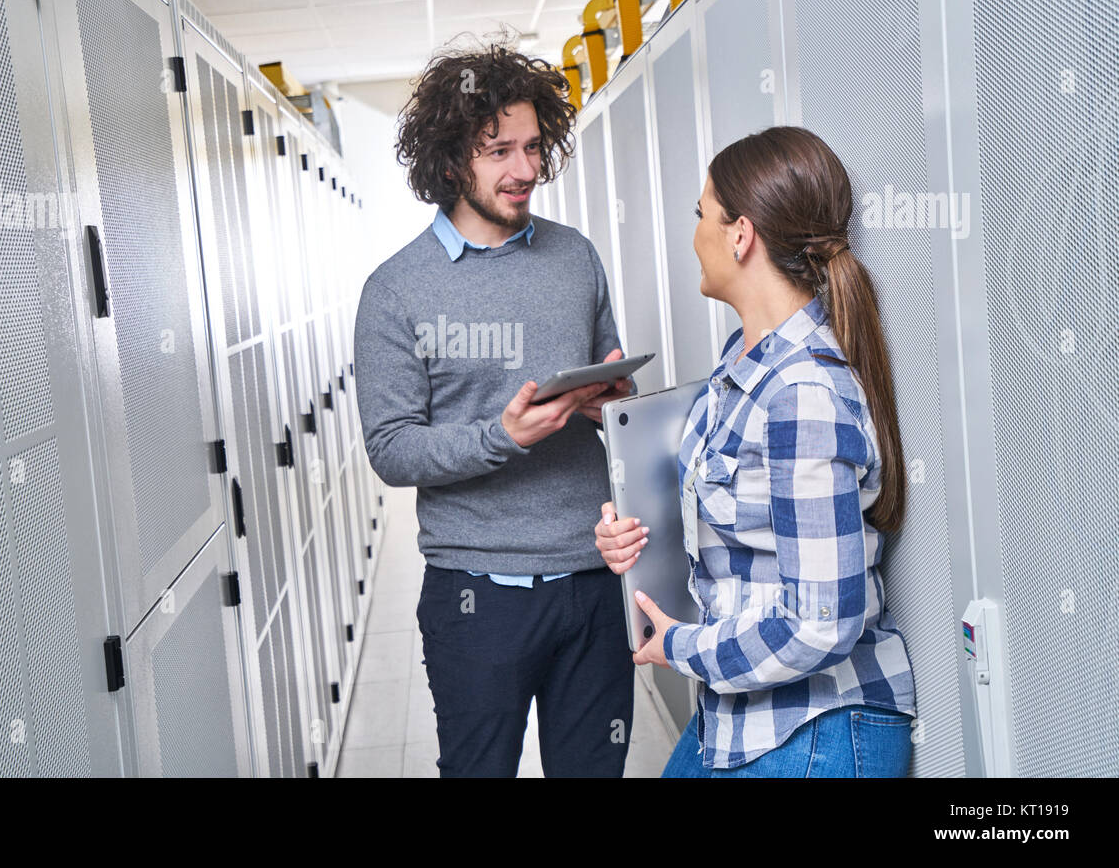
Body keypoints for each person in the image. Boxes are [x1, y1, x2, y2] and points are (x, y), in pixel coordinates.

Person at [595, 126, 918, 777]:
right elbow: (732, 517)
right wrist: (632, 538)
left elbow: (822, 622)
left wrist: (680, 645)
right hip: (741, 711)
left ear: (740, 234)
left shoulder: (799, 393)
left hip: (818, 725)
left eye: (701, 215)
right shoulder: (740, 362)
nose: (693, 235)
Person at [353, 38, 636, 777]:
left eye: (534, 147)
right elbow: (390, 448)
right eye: (499, 150)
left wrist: (612, 404)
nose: (526, 169)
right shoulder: (395, 291)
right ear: (451, 161)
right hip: (477, 597)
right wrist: (501, 436)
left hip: (594, 581)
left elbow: (610, 384)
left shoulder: (575, 256)